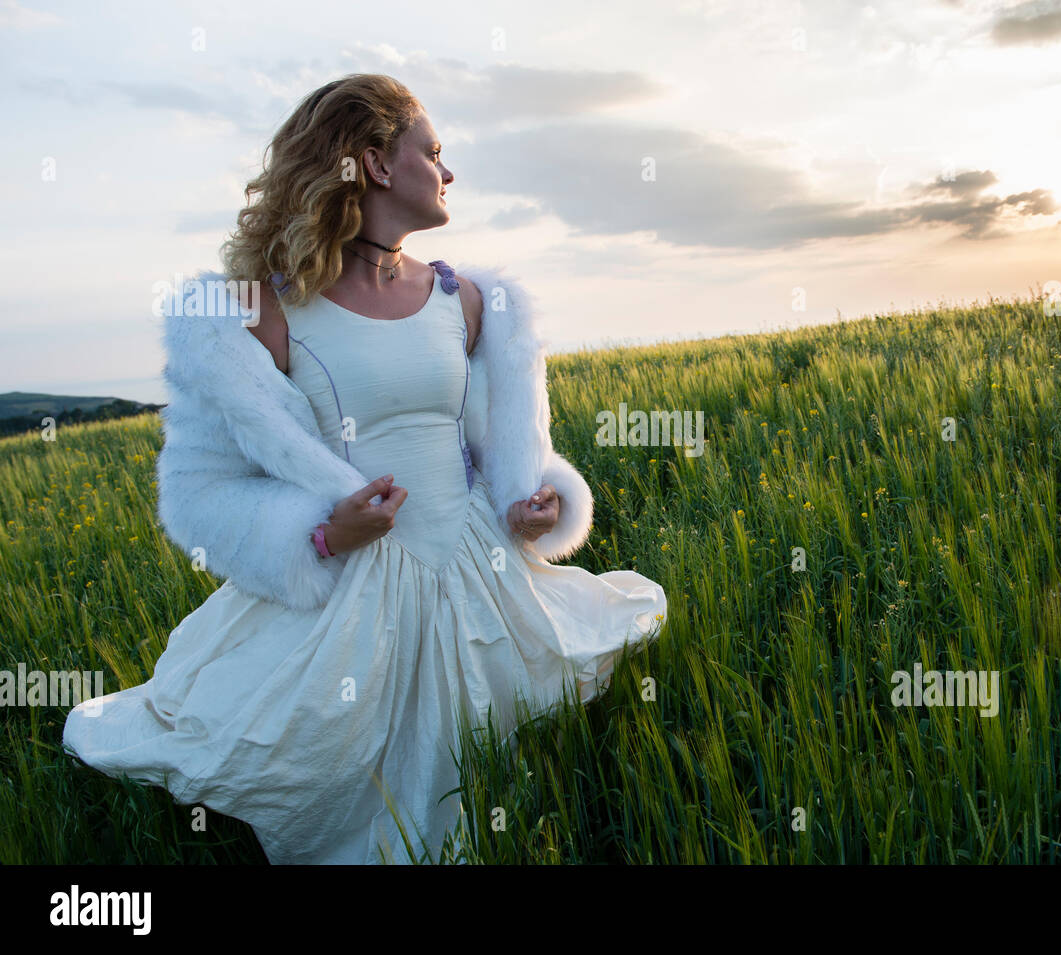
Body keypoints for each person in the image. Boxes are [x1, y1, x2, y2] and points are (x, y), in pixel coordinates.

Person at [61, 73, 668, 864]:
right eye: (434, 152)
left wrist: (529, 504)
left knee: (493, 764)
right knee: (344, 770)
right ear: (377, 165)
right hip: (355, 587)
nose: (448, 173)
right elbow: (199, 491)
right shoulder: (266, 310)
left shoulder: (470, 300)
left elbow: (500, 449)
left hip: (474, 566)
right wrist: (320, 531)